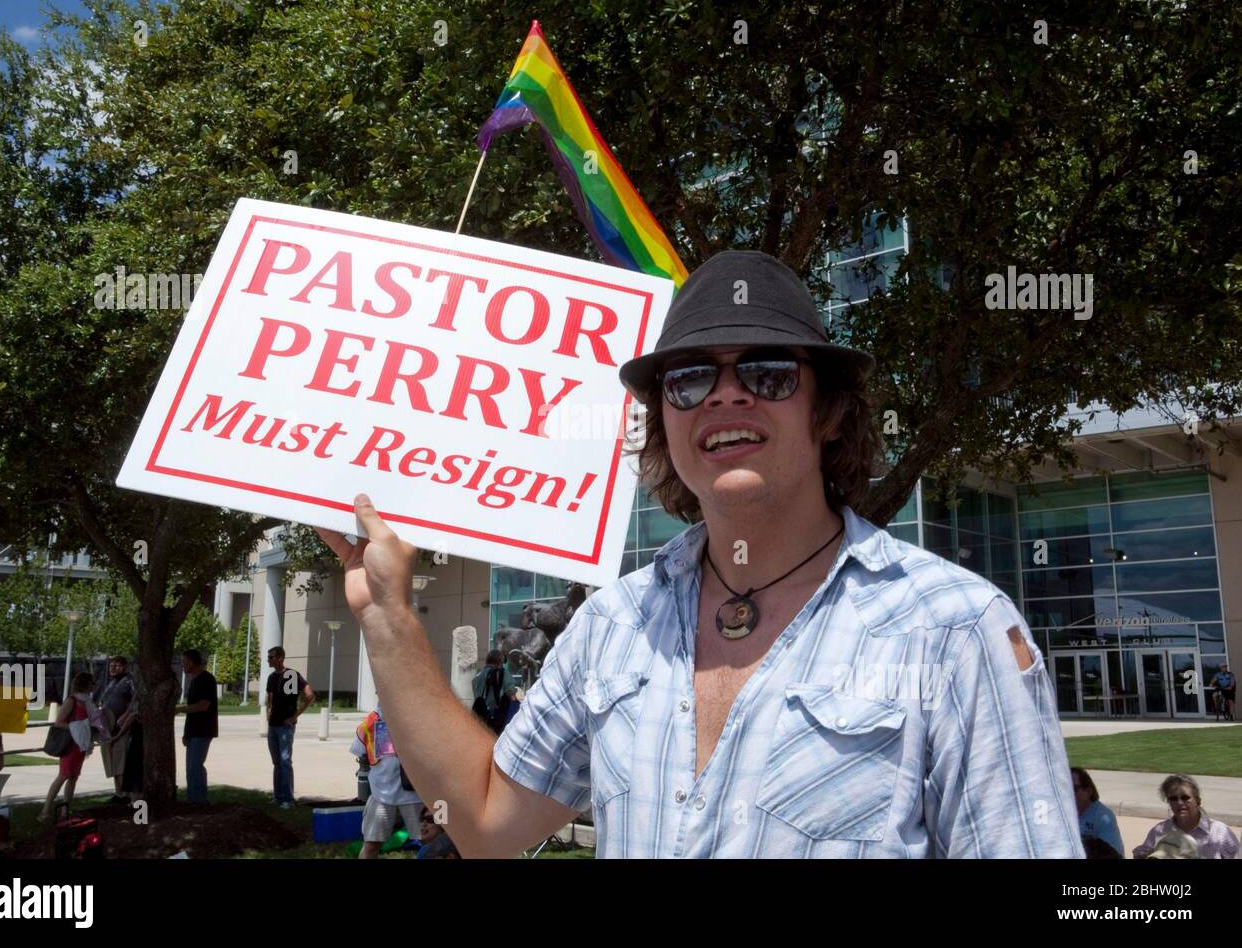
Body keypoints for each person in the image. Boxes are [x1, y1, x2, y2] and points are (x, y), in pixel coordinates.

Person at [315, 250, 1083, 858]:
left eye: (767, 372)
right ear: (664, 421)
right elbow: (485, 822)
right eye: (688, 380)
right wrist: (387, 617)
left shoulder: (956, 630)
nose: (725, 394)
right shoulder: (613, 625)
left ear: (828, 412)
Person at [350, 711, 422, 859]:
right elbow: (360, 754)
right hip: (381, 796)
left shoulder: (420, 716)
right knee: (371, 845)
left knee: (431, 843)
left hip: (417, 795)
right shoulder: (369, 723)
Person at [1133, 774, 1239, 859]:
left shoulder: (1220, 832)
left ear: (1197, 800)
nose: (1179, 803)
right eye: (1173, 799)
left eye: (1185, 798)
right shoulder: (1159, 831)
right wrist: (1153, 853)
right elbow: (1139, 853)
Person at [39, 672, 95, 822]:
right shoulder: (72, 700)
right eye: (92, 682)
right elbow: (58, 722)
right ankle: (45, 810)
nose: (94, 686)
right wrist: (78, 727)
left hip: (80, 745)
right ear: (85, 684)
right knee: (63, 775)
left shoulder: (88, 701)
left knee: (74, 777)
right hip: (70, 744)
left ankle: (65, 811)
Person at [265, 646, 315, 809]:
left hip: (285, 727)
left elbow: (308, 695)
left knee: (285, 760)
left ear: (280, 658)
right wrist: (268, 712)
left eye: (271, 657)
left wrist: (295, 716)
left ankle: (288, 799)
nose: (268, 660)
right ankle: (278, 797)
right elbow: (270, 697)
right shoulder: (272, 677)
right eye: (268, 657)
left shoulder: (290, 676)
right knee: (277, 762)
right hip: (273, 726)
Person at [175, 650, 218, 805]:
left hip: (203, 729)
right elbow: (192, 710)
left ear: (193, 662)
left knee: (195, 766)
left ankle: (200, 801)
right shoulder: (193, 680)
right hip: (192, 730)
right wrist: (186, 733)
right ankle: (192, 800)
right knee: (189, 768)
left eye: (185, 662)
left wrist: (179, 709)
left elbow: (203, 706)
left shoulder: (207, 679)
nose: (183, 665)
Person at [95, 655, 135, 803]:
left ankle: (126, 795)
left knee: (121, 762)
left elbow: (136, 701)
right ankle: (118, 793)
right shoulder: (110, 683)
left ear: (125, 667)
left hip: (123, 730)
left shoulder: (130, 681)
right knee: (111, 762)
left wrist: (126, 715)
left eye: (117, 665)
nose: (113, 668)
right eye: (111, 665)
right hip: (107, 730)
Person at [1072, 767, 1123, 857]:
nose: (1068, 793)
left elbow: (1114, 855)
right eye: (1064, 788)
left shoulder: (1103, 817)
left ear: (1088, 791)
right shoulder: (1057, 814)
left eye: (1074, 789)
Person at [471, 650, 516, 735]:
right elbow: (511, 696)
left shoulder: (476, 677)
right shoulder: (503, 673)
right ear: (500, 661)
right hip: (497, 722)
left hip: (480, 721)